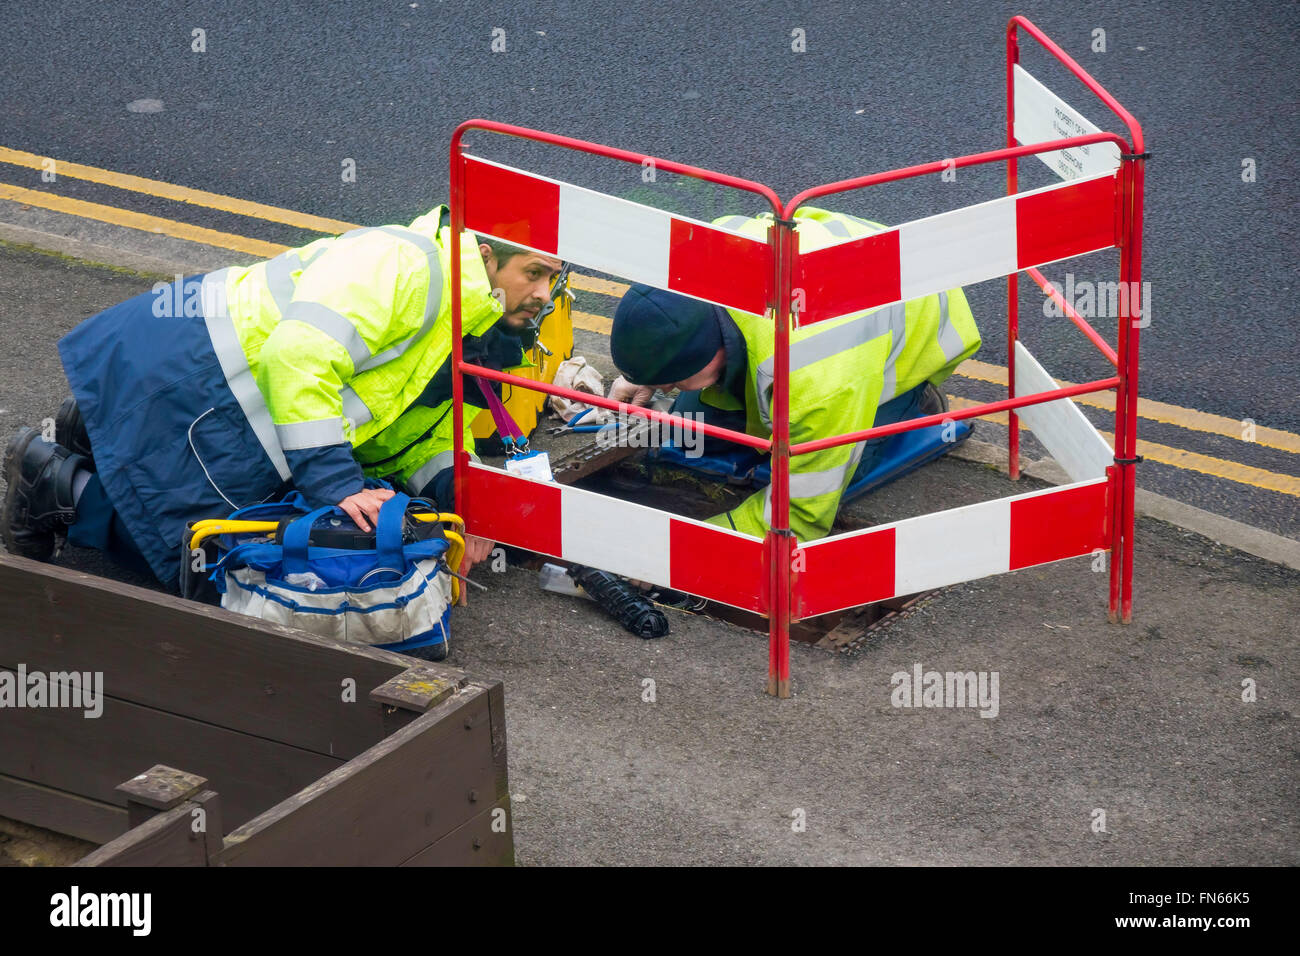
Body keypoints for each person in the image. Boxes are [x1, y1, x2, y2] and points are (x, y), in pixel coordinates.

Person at [1, 205, 562, 598]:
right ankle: (52, 483)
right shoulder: (408, 265)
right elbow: (296, 356)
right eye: (532, 273)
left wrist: (462, 500)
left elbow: (418, 435)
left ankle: (92, 432)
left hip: (214, 379)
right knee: (209, 565)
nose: (542, 295)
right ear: (487, 257)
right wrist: (337, 483)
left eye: (552, 279)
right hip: (198, 371)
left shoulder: (466, 329)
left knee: (269, 538)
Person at [608, 206, 981, 542]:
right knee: (688, 433)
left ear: (714, 352)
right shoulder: (703, 254)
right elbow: (666, 315)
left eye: (672, 382)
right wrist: (644, 370)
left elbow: (798, 518)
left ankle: (915, 405)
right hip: (847, 281)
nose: (667, 389)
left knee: (826, 473)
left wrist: (691, 547)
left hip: (909, 339)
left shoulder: (819, 377)